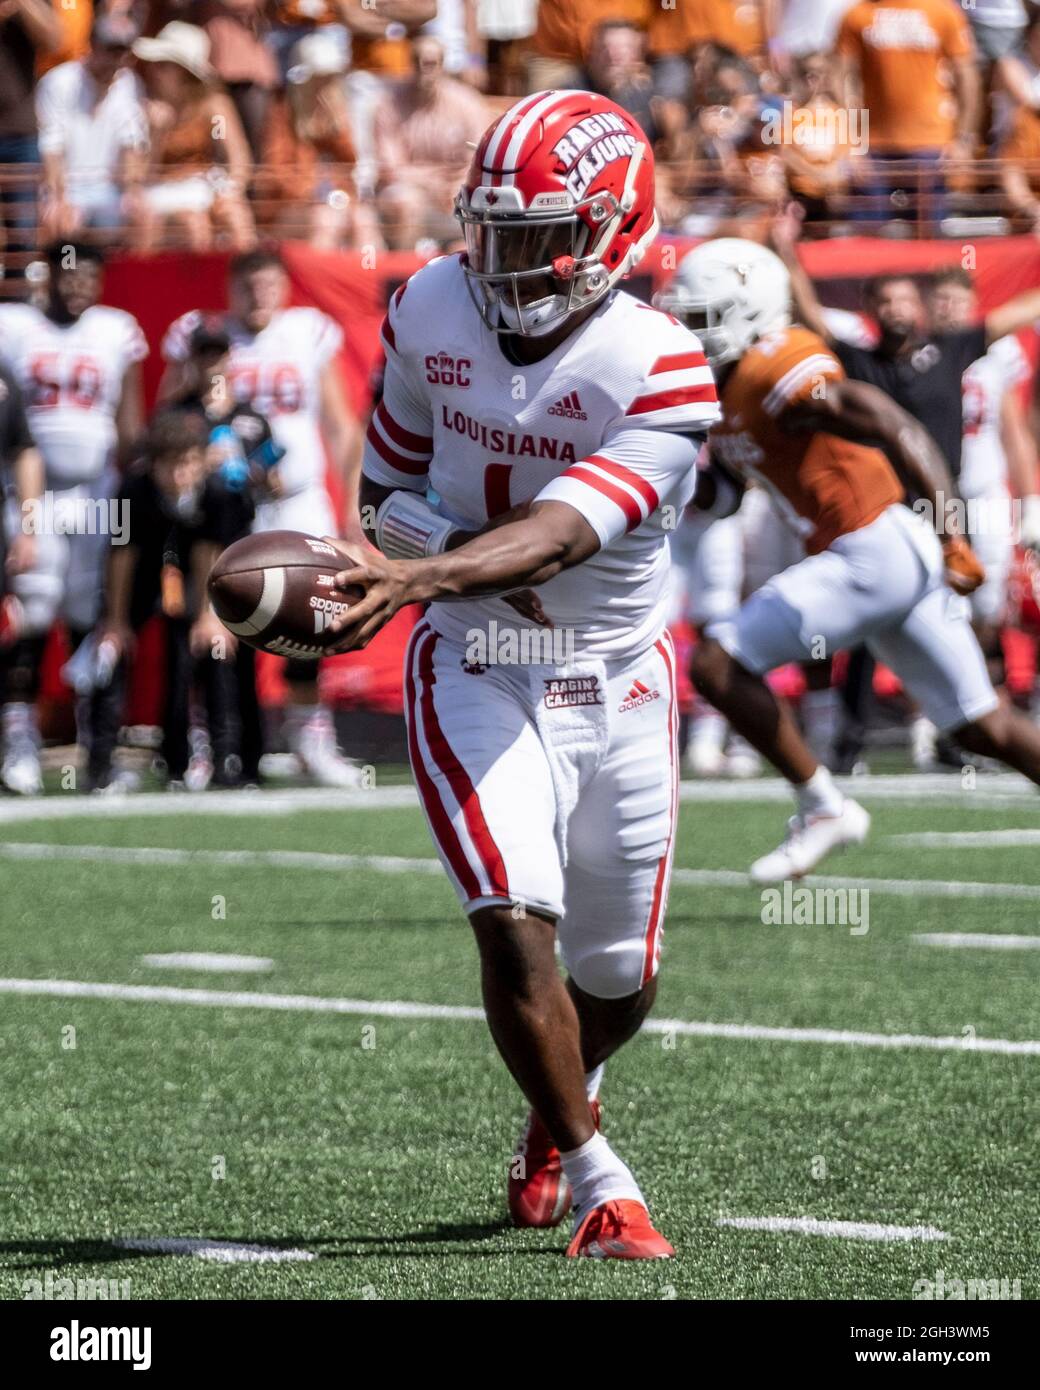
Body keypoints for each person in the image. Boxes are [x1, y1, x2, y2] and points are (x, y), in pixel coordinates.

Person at [321, 90, 721, 1258]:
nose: (510, 258)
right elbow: (383, 494)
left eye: (544, 233)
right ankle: (604, 1180)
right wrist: (386, 569)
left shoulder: (658, 363)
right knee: (511, 921)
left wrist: (421, 572)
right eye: (494, 228)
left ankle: (558, 1106)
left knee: (620, 976)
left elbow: (556, 534)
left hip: (615, 675)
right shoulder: (429, 302)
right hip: (476, 662)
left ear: (612, 231)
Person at [664, 238, 1040, 884]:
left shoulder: (778, 365)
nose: (693, 336)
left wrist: (949, 528)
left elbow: (897, 426)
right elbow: (723, 493)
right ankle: (825, 799)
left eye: (704, 319)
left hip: (874, 549)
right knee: (983, 727)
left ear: (750, 313)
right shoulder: (725, 389)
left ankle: (822, 806)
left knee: (716, 663)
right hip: (877, 558)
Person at [158, 247, 364, 788]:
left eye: (270, 284)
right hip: (225, 503)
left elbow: (342, 426)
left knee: (317, 614)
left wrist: (351, 507)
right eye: (250, 286)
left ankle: (308, 734)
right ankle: (213, 739)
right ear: (231, 288)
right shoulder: (203, 336)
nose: (260, 296)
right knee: (216, 614)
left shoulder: (307, 332)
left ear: (285, 286)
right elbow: (169, 424)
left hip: (298, 496)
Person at [0, 240, 146, 795]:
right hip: (31, 493)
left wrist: (138, 486)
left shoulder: (115, 329)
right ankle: (18, 744)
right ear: (47, 278)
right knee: (30, 614)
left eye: (88, 276)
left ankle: (97, 752)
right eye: (68, 275)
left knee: (94, 615)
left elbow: (128, 423)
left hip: (97, 493)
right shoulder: (14, 326)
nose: (77, 285)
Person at [94, 410, 249, 792]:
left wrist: (208, 616)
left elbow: (207, 555)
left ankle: (224, 763)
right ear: (154, 465)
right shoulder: (132, 489)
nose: (180, 475)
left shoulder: (215, 493)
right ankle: (100, 767)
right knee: (110, 656)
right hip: (144, 574)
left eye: (188, 464)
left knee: (208, 653)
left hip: (195, 578)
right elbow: (121, 555)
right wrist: (116, 621)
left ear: (201, 461)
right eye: (171, 465)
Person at [836, 0, 979, 227]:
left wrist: (963, 139)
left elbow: (967, 78)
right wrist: (850, 142)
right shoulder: (857, 14)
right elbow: (841, 77)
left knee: (929, 239)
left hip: (931, 144)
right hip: (871, 147)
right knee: (866, 239)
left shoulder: (943, 12)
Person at [131, 20, 255, 253]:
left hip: (204, 186)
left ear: (184, 73)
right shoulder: (143, 108)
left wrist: (228, 190)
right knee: (193, 224)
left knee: (236, 216)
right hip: (160, 190)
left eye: (163, 65)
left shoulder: (213, 107)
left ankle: (243, 279)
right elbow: (141, 176)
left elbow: (237, 158)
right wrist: (157, 133)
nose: (153, 70)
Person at [36, 12, 149, 237]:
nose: (119, 58)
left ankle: (128, 273)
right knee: (63, 222)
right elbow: (52, 147)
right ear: (93, 45)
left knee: (144, 219)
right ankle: (67, 270)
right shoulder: (59, 82)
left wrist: (133, 192)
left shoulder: (130, 83)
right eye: (112, 49)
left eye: (125, 50)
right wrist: (60, 198)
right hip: (68, 189)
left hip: (110, 192)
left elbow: (132, 144)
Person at [372, 35, 490, 250]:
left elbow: (480, 159)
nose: (422, 70)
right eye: (416, 62)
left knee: (474, 201)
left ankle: (465, 268)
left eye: (429, 63)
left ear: (442, 66)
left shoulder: (467, 104)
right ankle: (405, 271)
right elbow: (390, 169)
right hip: (415, 192)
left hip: (455, 191)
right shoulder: (389, 105)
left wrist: (458, 185)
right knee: (400, 200)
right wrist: (433, 183)